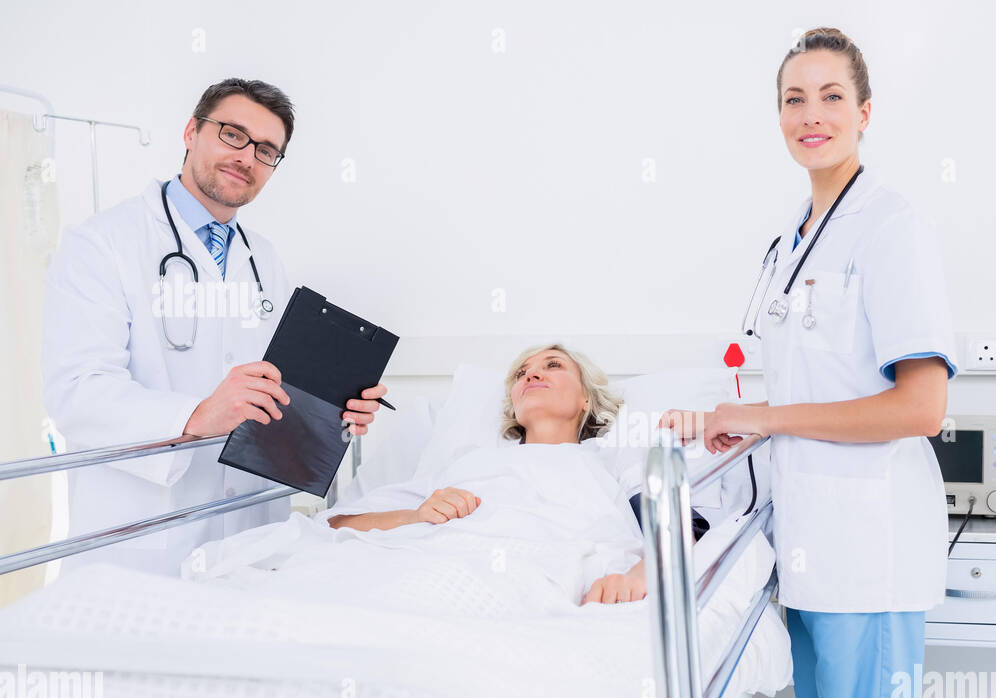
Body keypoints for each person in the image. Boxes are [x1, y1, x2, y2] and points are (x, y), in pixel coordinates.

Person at [661, 28, 957, 698]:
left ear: (864, 112)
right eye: (795, 98)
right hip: (812, 543)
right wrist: (734, 413)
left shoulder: (889, 228)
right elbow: (782, 377)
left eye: (831, 97)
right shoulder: (788, 243)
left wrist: (770, 417)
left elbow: (922, 406)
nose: (812, 114)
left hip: (871, 548)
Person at [42, 78, 387, 577]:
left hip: (248, 536)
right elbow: (75, 393)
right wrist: (196, 415)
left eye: (267, 150)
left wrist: (334, 409)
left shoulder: (262, 258)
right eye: (232, 134)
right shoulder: (101, 245)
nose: (247, 156)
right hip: (142, 536)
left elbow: (273, 390)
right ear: (191, 131)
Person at [326, 344, 707, 605]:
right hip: (425, 566)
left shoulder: (610, 462)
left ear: (585, 399)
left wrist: (638, 577)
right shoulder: (467, 464)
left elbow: (679, 529)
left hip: (534, 579)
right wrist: (415, 515)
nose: (532, 375)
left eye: (552, 366)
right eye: (522, 373)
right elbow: (337, 523)